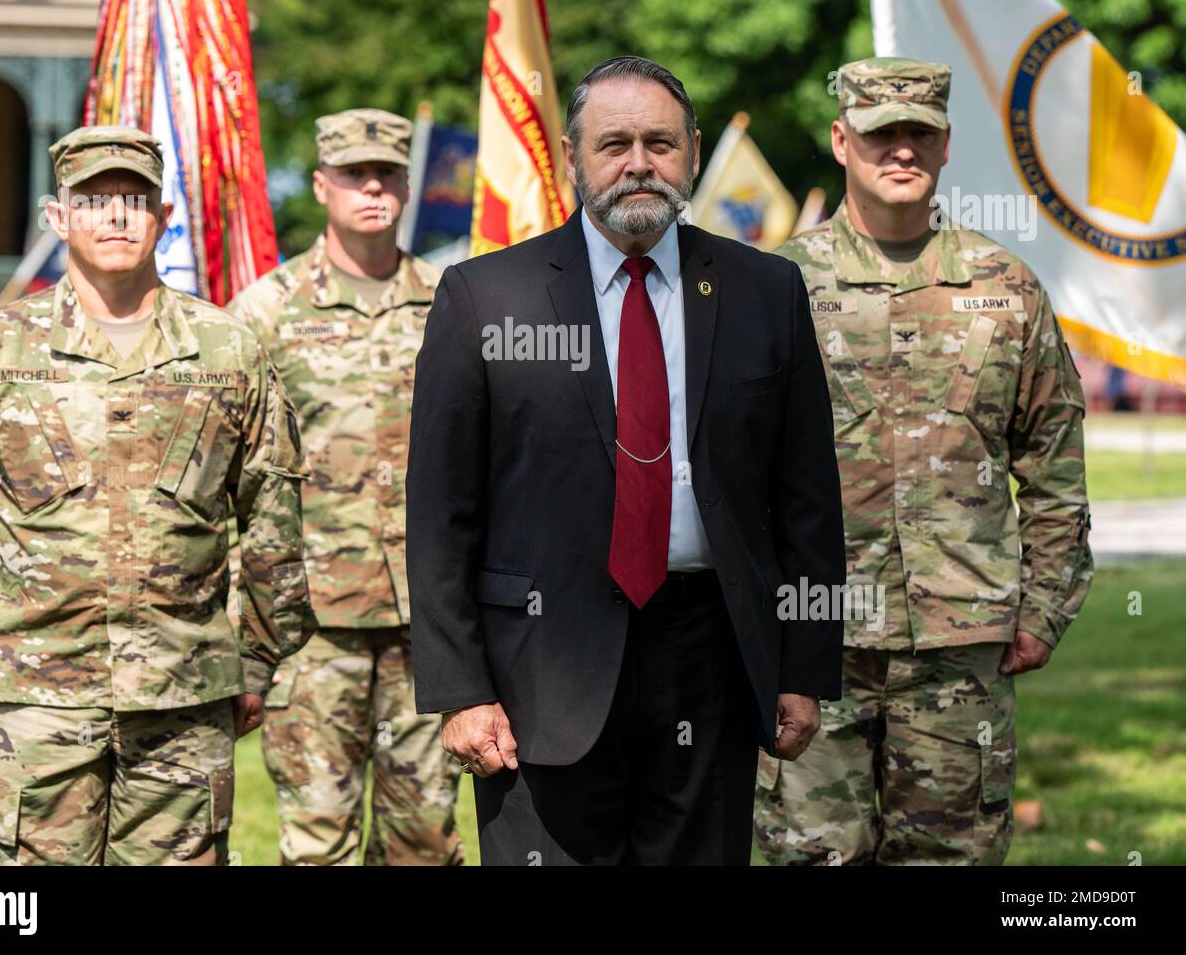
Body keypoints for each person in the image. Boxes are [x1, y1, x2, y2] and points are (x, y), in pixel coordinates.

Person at [406, 56, 845, 866]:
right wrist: (461, 688)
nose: (638, 162)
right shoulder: (484, 296)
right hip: (540, 668)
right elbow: (440, 514)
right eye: (614, 144)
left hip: (711, 657)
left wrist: (806, 664)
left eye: (659, 142)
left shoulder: (766, 291)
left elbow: (808, 498)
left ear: (694, 151)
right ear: (573, 157)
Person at [0, 125, 312, 866]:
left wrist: (256, 660)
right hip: (37, 701)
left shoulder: (229, 350)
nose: (115, 216)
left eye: (133, 199)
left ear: (163, 215)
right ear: (58, 218)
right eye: (93, 200)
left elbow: (273, 520)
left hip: (185, 699)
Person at [759, 57, 1094, 865]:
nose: (901, 150)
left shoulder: (1003, 287)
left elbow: (1053, 464)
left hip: (958, 654)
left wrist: (1045, 608)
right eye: (881, 134)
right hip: (813, 644)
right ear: (843, 141)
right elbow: (730, 470)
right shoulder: (775, 286)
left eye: (920, 133)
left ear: (946, 146)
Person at [229, 109, 462, 865]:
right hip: (310, 625)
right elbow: (226, 466)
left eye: (388, 173)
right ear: (322, 184)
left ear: (406, 183)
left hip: (428, 620)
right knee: (318, 838)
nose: (373, 187)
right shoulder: (265, 311)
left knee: (425, 838)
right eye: (355, 174)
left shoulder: (454, 300)